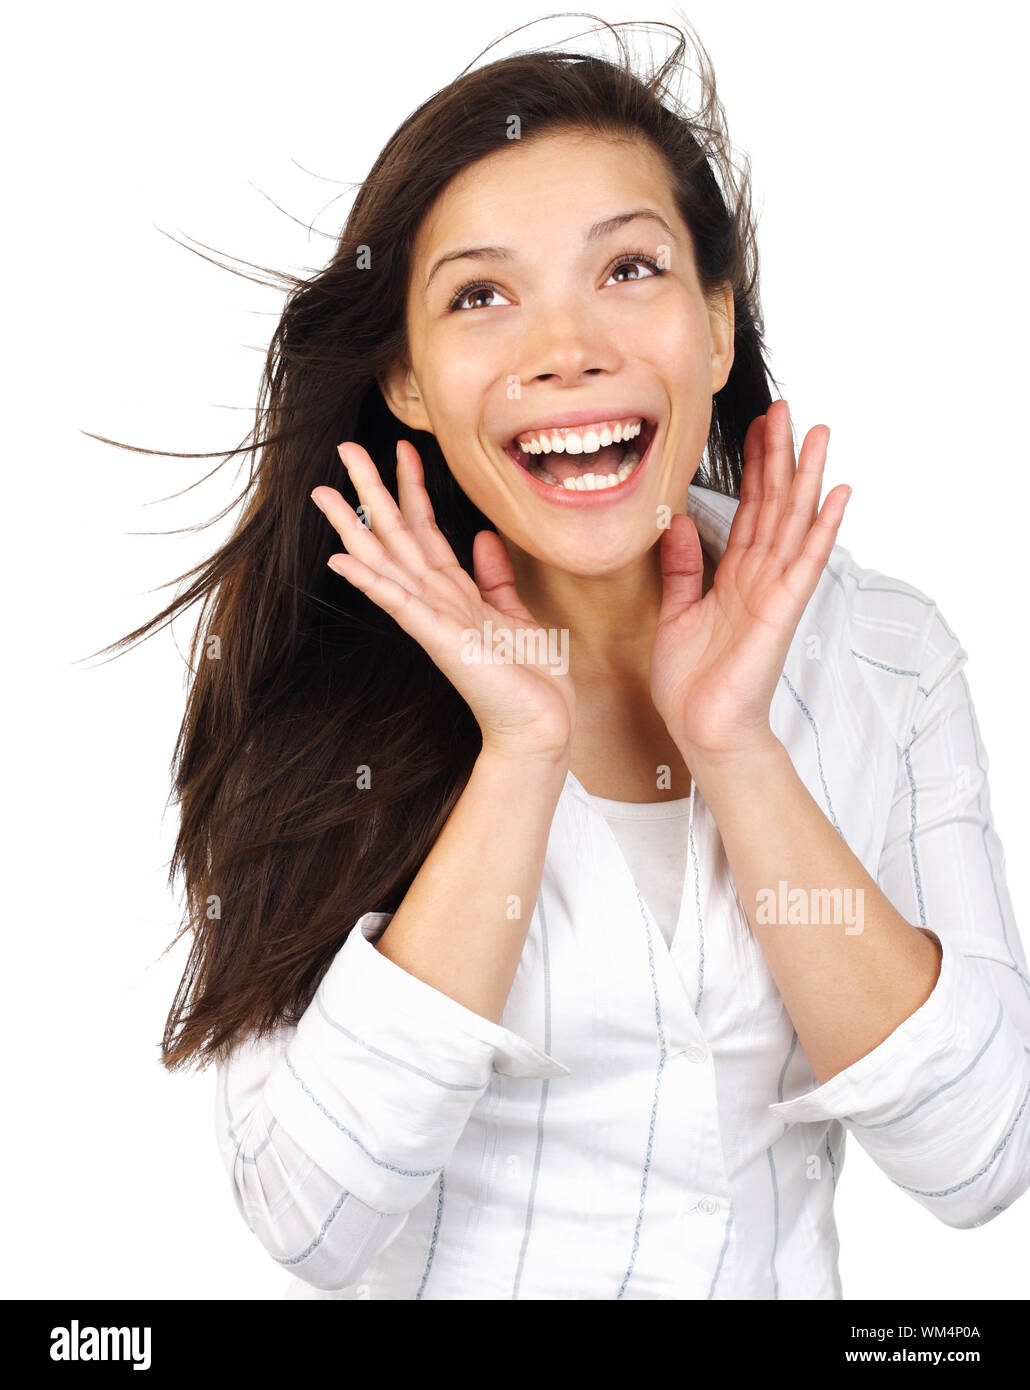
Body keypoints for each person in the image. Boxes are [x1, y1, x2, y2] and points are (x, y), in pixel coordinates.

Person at [102, 16, 1030, 1298]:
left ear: (715, 329)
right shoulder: (317, 675)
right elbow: (309, 1219)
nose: (567, 348)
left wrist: (736, 750)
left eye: (629, 271)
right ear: (410, 380)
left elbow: (978, 1157)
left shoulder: (888, 655)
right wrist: (521, 750)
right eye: (481, 295)